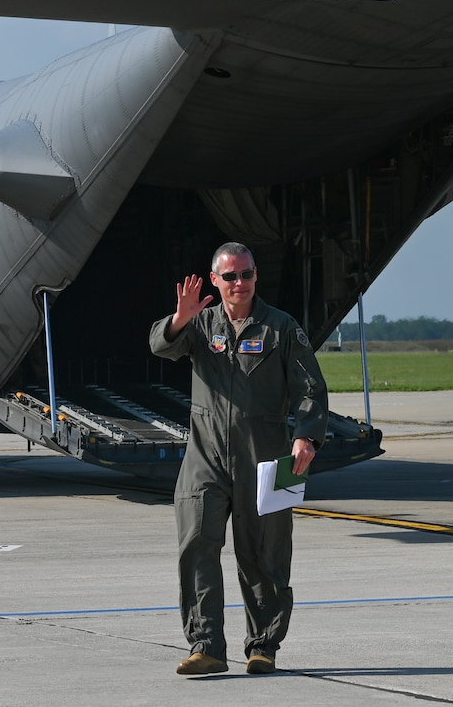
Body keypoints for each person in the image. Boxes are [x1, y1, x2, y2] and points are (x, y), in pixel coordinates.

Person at [149, 241, 328, 676]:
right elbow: (160, 345)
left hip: (267, 456)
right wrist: (180, 318)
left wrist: (307, 436)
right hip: (204, 454)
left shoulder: (281, 328)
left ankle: (263, 647)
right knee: (196, 544)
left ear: (255, 277)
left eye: (246, 275)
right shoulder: (199, 324)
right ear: (215, 280)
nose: (239, 283)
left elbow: (310, 387)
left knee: (266, 553)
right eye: (229, 276)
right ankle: (206, 645)